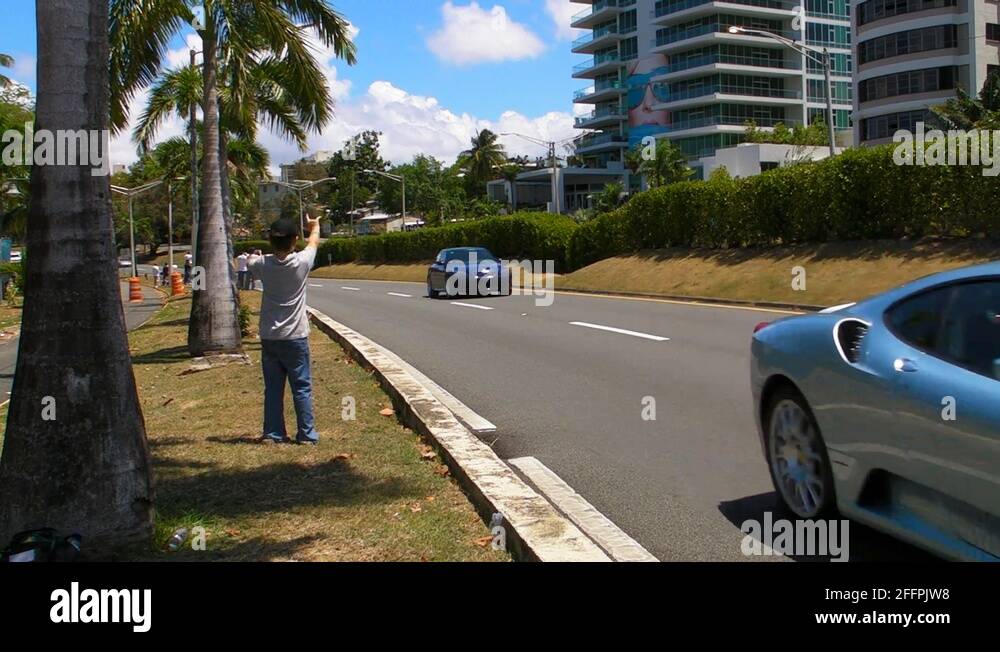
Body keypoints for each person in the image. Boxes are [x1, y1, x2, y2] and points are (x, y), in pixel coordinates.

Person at [248, 216, 322, 445]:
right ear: (295, 240)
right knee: (301, 387)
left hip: (270, 335)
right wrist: (315, 225)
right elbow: (314, 243)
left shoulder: (261, 265)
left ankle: (273, 433)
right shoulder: (301, 262)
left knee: (272, 388)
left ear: (270, 240)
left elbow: (250, 261)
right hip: (296, 335)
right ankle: (306, 435)